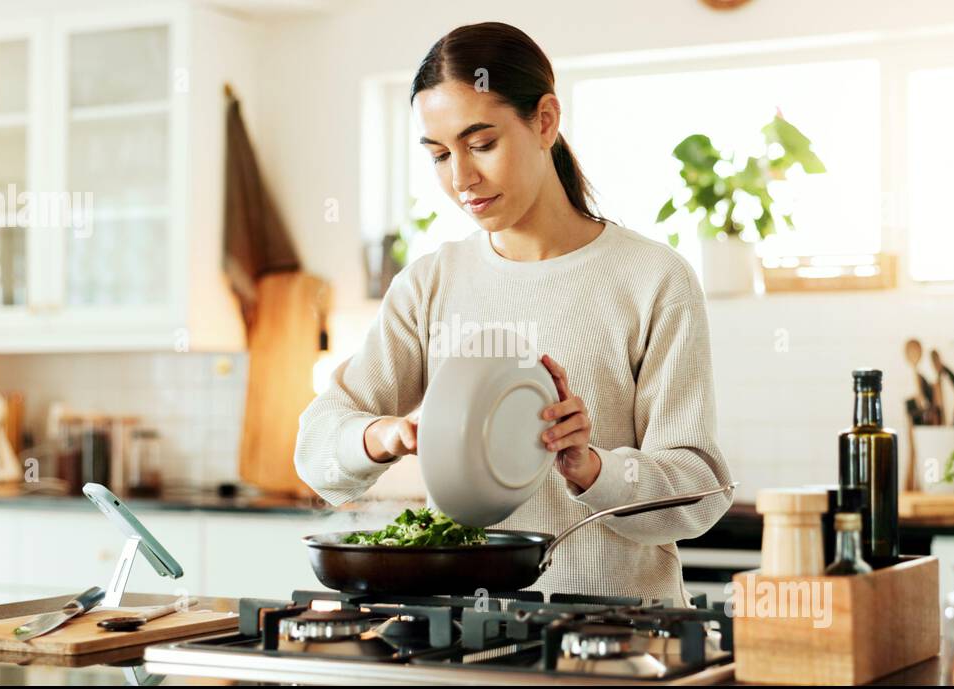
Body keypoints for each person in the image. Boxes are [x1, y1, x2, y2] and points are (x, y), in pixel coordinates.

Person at [295, 21, 733, 604]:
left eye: (481, 145)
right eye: (439, 155)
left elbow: (699, 489)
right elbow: (316, 449)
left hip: (617, 637)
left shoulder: (654, 278)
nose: (461, 179)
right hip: (465, 635)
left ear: (545, 120)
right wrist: (388, 434)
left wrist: (593, 469)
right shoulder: (430, 283)